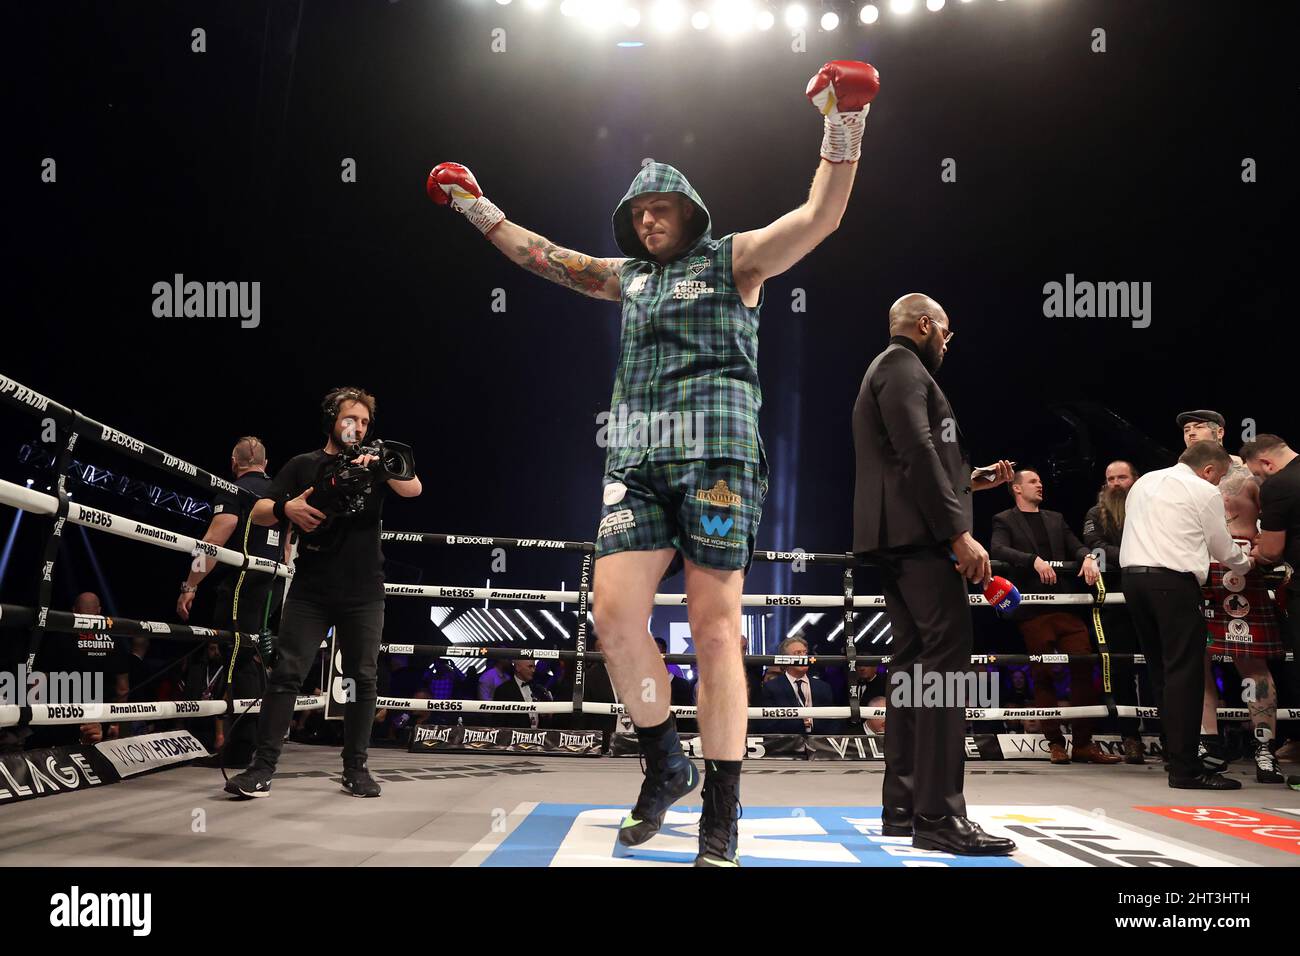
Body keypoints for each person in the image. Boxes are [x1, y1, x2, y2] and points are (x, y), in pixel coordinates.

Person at [431, 60, 879, 866]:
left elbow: (820, 217)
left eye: (659, 209)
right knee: (611, 616)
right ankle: (665, 761)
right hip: (637, 463)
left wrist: (844, 120)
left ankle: (723, 811)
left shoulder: (734, 261)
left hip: (717, 460)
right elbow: (544, 257)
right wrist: (473, 203)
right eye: (636, 213)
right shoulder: (628, 279)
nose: (646, 223)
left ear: (691, 212)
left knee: (714, 630)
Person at [852, 292, 1016, 856]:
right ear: (924, 325)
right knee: (945, 671)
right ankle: (941, 816)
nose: (948, 341)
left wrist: (972, 482)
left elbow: (912, 462)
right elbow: (917, 452)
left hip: (898, 539)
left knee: (913, 670)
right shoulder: (903, 368)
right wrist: (957, 533)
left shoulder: (889, 371)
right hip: (921, 542)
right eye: (946, 331)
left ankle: (903, 808)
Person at [224, 386, 422, 799]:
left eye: (366, 421)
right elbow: (258, 511)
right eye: (352, 418)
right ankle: (261, 769)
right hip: (311, 588)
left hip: (364, 589)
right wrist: (286, 509)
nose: (359, 427)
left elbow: (414, 488)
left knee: (363, 678)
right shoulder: (303, 464)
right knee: (287, 674)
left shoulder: (375, 463)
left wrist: (382, 464)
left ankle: (356, 769)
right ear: (332, 418)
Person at [1120, 440, 1252, 790]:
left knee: (1161, 671)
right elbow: (1221, 544)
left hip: (1132, 580)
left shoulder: (1145, 481)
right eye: (1218, 477)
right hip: (1172, 583)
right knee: (1185, 674)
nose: (1217, 484)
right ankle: (1186, 770)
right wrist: (1246, 562)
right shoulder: (1202, 490)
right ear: (1208, 470)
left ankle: (1173, 756)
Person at [990, 469, 1117, 765]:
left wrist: (1087, 557)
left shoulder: (1055, 518)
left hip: (1066, 604)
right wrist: (1032, 560)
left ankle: (1084, 743)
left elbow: (1077, 545)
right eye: (1033, 481)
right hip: (1033, 608)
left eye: (1040, 480)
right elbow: (997, 549)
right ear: (1017, 488)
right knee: (1044, 673)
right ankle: (1055, 743)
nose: (1040, 484)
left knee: (1084, 666)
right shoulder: (1004, 519)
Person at [177, 436, 284, 768]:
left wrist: (190, 584)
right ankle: (257, 745)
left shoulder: (234, 490)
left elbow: (215, 537)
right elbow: (290, 544)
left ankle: (240, 751)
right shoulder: (281, 490)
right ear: (265, 464)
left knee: (240, 661)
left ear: (234, 463)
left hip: (244, 585)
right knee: (253, 659)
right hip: (275, 584)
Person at [1197, 459, 1287, 783]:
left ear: (1219, 432)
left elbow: (1278, 518)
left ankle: (1264, 749)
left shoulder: (1247, 475)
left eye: (1200, 426)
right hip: (1199, 568)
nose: (1191, 433)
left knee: (1252, 664)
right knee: (1197, 661)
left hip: (1243, 567)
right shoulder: (1183, 477)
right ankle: (1205, 745)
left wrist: (1266, 550)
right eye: (1186, 429)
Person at [1081, 460, 1149, 762]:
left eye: (1122, 477)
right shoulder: (1097, 513)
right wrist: (1138, 557)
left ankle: (1168, 735)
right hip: (1116, 600)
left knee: (1154, 667)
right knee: (1120, 668)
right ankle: (1130, 737)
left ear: (1135, 479)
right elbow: (1095, 547)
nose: (1116, 483)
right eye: (1111, 478)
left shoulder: (1151, 508)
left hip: (1150, 596)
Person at [1241, 434, 1300, 762]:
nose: (1261, 481)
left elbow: (1272, 550)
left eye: (1260, 474)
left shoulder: (1279, 485)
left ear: (1267, 463)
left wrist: (1256, 553)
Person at [758, 637, 835, 734]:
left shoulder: (823, 687)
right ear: (785, 659)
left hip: (820, 744)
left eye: (805, 653)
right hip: (787, 745)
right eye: (798, 653)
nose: (803, 657)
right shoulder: (772, 688)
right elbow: (769, 725)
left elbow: (832, 721)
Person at [493, 659, 553, 729]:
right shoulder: (503, 691)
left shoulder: (538, 689)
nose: (533, 670)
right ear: (518, 668)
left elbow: (546, 719)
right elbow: (499, 723)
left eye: (534, 667)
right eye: (530, 667)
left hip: (538, 736)